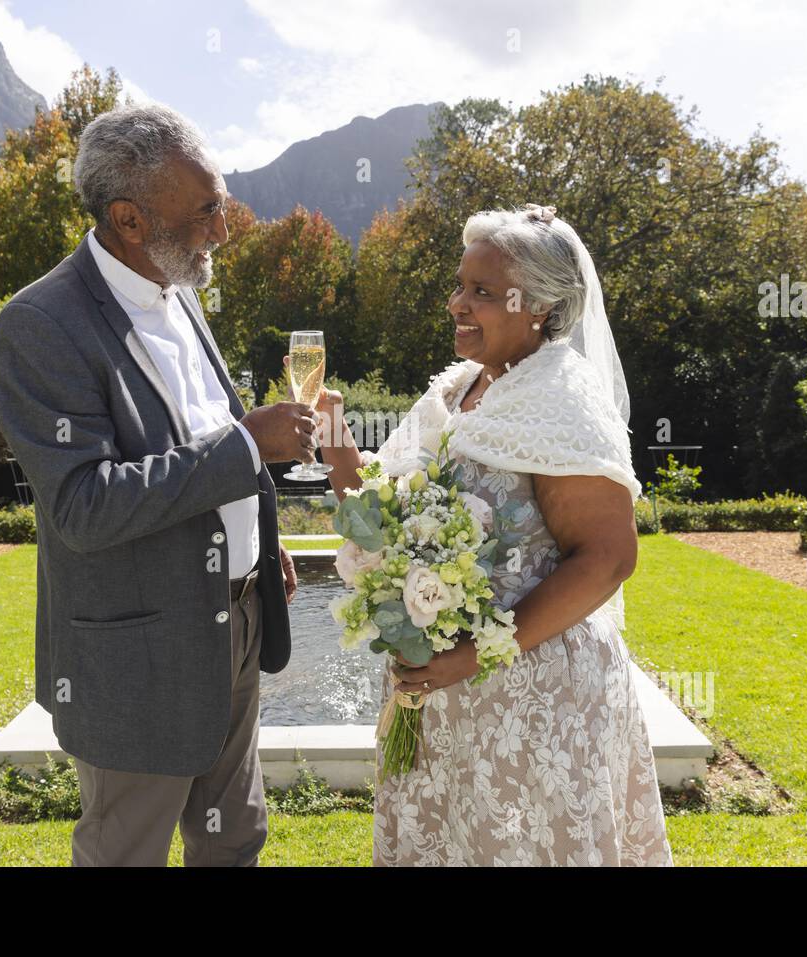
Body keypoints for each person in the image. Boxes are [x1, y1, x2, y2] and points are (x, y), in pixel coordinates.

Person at [0, 103, 316, 866]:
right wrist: (246, 445)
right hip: (135, 658)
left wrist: (258, 545)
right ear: (129, 219)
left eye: (222, 204)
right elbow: (84, 504)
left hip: (234, 622)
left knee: (233, 839)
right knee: (126, 853)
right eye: (206, 211)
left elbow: (198, 431)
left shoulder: (181, 290)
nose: (224, 231)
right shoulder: (41, 323)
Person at [317, 204, 675, 866]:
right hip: (443, 704)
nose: (458, 302)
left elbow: (608, 556)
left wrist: (470, 658)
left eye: (481, 292)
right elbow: (383, 508)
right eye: (460, 285)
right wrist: (335, 433)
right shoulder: (456, 390)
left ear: (538, 304)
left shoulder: (564, 395)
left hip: (534, 705)